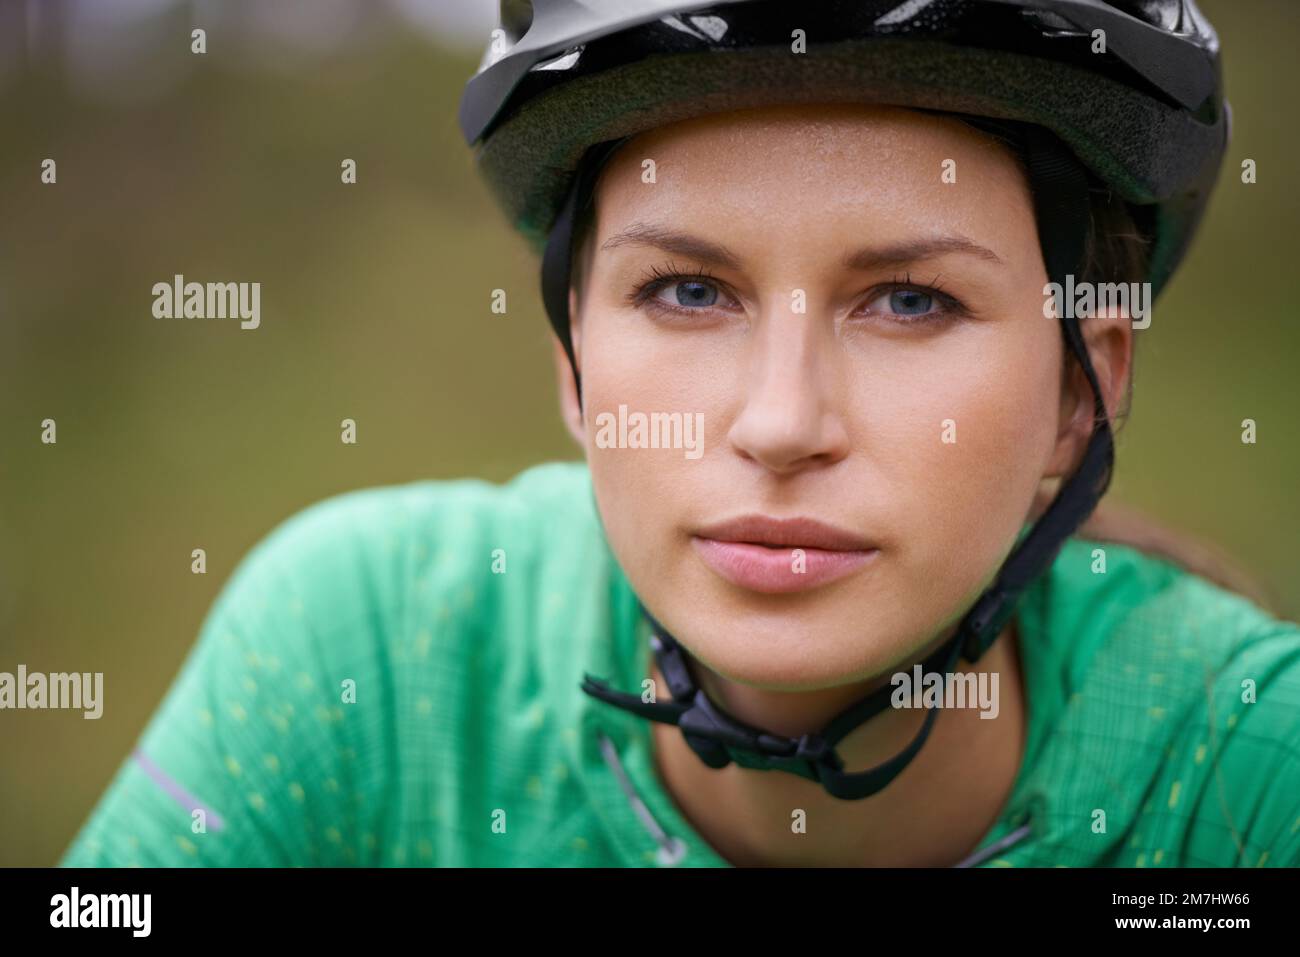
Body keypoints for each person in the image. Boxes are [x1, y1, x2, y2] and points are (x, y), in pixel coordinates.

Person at [61, 0, 1300, 868]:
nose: (779, 423)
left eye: (911, 301)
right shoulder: (365, 656)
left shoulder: (1255, 770)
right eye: (687, 292)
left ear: (1084, 386)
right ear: (572, 359)